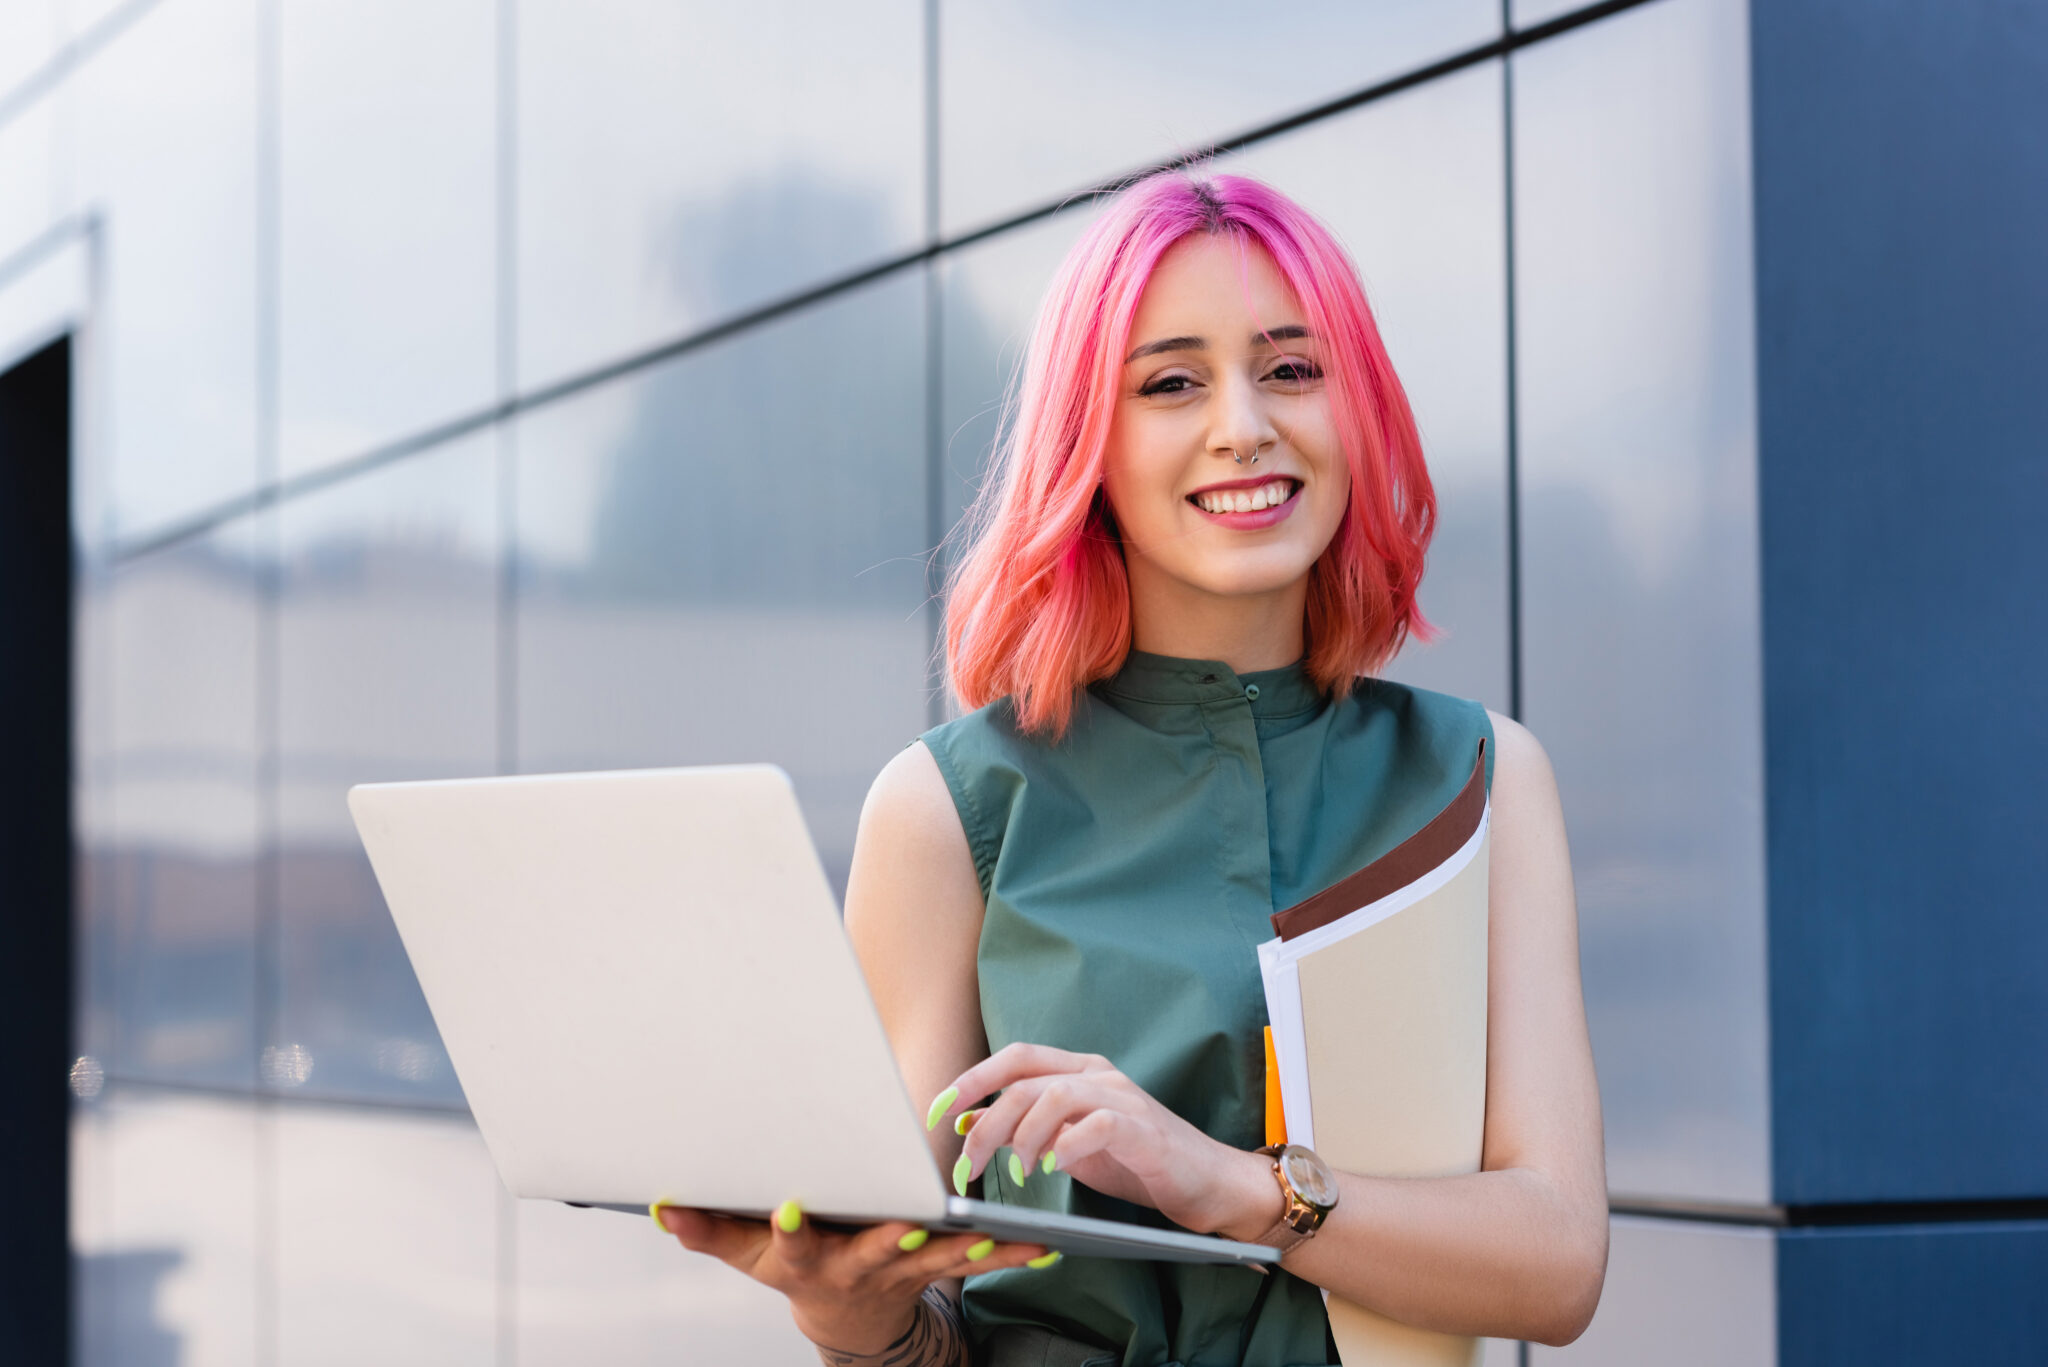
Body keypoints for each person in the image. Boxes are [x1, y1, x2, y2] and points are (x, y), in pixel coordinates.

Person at [654, 171, 1608, 1367]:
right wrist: (849, 1314)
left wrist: (1231, 1185)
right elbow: (916, 1315)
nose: (1242, 426)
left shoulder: (1480, 778)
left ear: (1354, 407)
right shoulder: (949, 807)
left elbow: (1559, 1258)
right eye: (1170, 382)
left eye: (1291, 368)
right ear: (1086, 444)